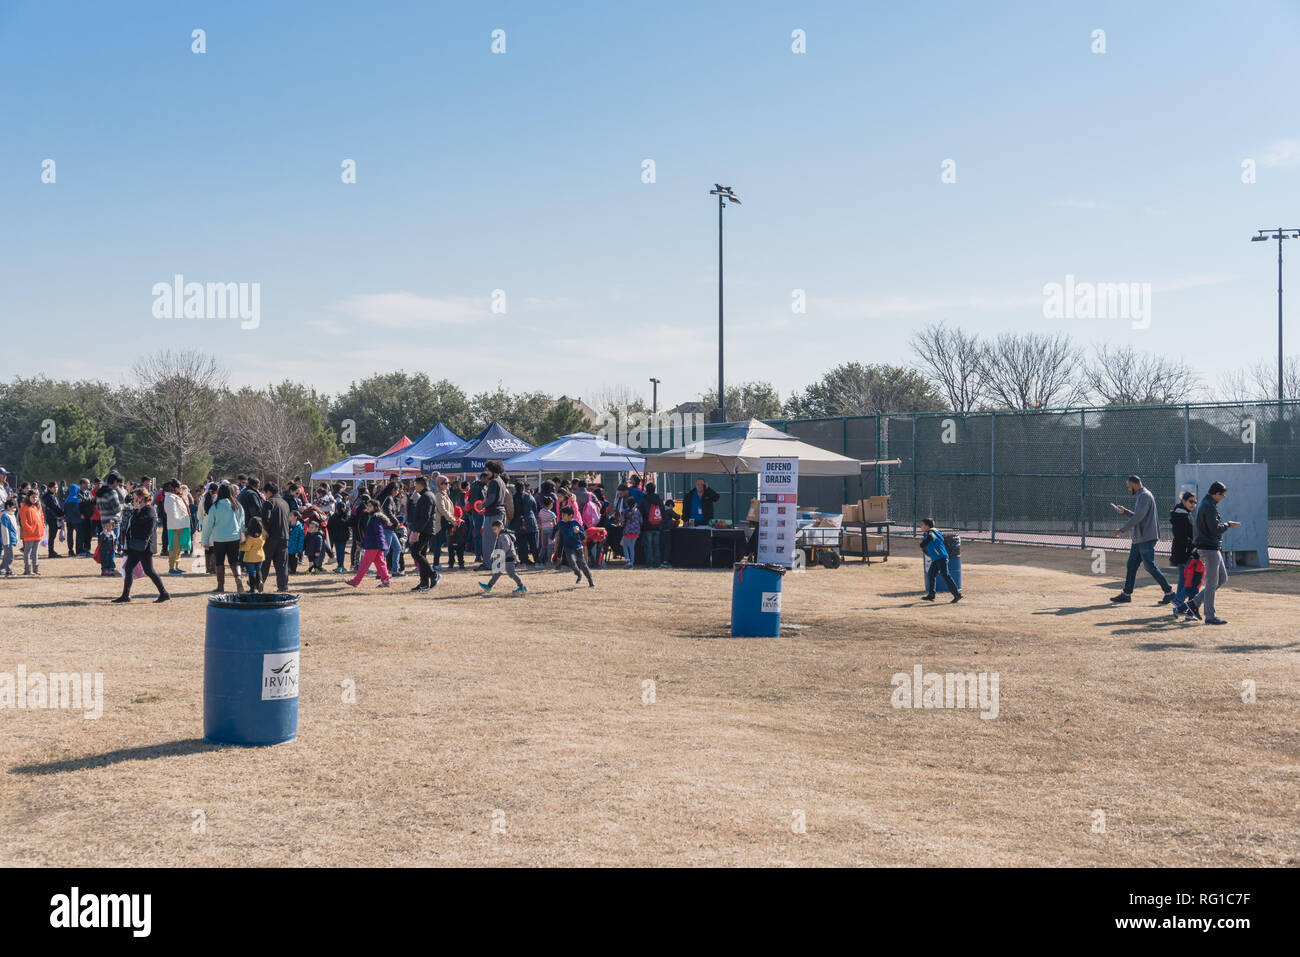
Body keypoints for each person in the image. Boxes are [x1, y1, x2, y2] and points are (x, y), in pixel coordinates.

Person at [1109, 474, 1173, 605]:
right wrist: (1125, 511)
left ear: (1134, 484)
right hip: (1140, 538)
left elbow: (1138, 517)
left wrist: (1122, 530)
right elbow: (1138, 516)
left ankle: (1169, 592)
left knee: (1150, 567)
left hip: (1146, 538)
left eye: (1129, 486)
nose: (1128, 489)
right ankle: (1126, 594)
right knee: (1131, 565)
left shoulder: (1144, 496)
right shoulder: (1141, 495)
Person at [1190, 480, 1239, 626]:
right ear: (1216, 494)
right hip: (1209, 548)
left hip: (1210, 547)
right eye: (1222, 495)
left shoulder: (1208, 504)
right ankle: (1210, 617)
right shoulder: (1208, 506)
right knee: (1212, 583)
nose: (1223, 497)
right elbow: (1215, 529)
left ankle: (1194, 604)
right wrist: (1228, 525)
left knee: (1222, 579)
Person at [111, 488, 170, 603]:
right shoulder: (141, 509)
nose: (133, 500)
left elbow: (138, 522)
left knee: (149, 571)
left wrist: (135, 509)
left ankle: (164, 593)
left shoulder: (149, 510)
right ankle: (125, 595)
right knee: (128, 568)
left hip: (144, 546)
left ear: (140, 498)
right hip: (135, 545)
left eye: (135, 498)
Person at [201, 483, 246, 594]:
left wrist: (205, 541)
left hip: (219, 538)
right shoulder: (237, 505)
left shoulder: (215, 507)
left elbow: (208, 526)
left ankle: (220, 587)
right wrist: (243, 534)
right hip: (234, 537)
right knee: (234, 561)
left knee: (219, 562)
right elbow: (242, 523)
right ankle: (238, 578)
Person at [347, 498, 393, 588]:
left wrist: (381, 545)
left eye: (370, 506)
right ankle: (386, 581)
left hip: (374, 545)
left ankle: (355, 581)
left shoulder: (375, 518)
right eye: (367, 505)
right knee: (380, 564)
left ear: (376, 507)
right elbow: (369, 534)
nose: (368, 507)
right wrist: (362, 544)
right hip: (374, 545)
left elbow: (378, 532)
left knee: (364, 564)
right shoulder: (372, 517)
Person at [406, 475, 441, 591]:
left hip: (424, 530)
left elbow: (425, 517)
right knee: (422, 554)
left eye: (416, 484)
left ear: (421, 484)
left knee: (416, 553)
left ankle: (433, 575)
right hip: (425, 529)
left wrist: (417, 532)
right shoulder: (427, 495)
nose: (414, 486)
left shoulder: (426, 496)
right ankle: (424, 583)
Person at [478, 518, 527, 595]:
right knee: (497, 572)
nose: (494, 531)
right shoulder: (502, 534)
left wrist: (499, 555)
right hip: (505, 557)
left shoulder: (503, 535)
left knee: (511, 573)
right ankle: (489, 586)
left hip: (509, 557)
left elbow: (506, 546)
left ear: (501, 527)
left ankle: (522, 587)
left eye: (495, 529)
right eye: (493, 530)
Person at [1168, 491, 1198, 616]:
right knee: (1190, 580)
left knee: (1183, 580)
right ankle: (1178, 601)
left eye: (1195, 502)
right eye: (1191, 501)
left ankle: (1178, 607)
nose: (1193, 504)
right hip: (1185, 551)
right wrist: (1193, 547)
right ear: (1184, 501)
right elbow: (1181, 536)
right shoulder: (1182, 515)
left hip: (1182, 551)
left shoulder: (1184, 513)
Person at [919, 517, 962, 603]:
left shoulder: (931, 532)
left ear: (927, 526)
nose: (921, 526)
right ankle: (931, 595)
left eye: (922, 525)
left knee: (945, 575)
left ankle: (957, 594)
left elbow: (931, 537)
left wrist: (923, 544)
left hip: (940, 558)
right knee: (931, 575)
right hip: (937, 558)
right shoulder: (934, 531)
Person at [479, 461, 510, 571]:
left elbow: (491, 499)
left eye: (488, 470)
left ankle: (487, 564)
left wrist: (482, 505)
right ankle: (497, 564)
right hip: (501, 513)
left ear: (494, 471)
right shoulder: (501, 481)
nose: (487, 472)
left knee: (488, 540)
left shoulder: (493, 482)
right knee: (498, 541)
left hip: (493, 514)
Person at [260, 482, 292, 592]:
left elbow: (265, 520)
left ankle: (258, 583)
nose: (264, 495)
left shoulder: (269, 502)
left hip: (271, 536)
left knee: (264, 562)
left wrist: (264, 531)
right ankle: (283, 587)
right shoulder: (285, 502)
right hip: (285, 536)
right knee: (282, 563)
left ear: (268, 491)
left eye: (264, 492)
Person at [96, 472, 126, 575]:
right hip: (112, 521)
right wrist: (124, 506)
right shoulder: (112, 492)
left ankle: (105, 568)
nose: (118, 486)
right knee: (112, 546)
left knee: (105, 546)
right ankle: (110, 568)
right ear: (114, 482)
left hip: (103, 520)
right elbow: (117, 508)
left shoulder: (100, 492)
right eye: (118, 483)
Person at [556, 506, 594, 587]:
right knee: (571, 562)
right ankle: (579, 575)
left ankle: (590, 580)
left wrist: (578, 531)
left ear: (571, 516)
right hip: (568, 548)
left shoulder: (576, 523)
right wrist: (559, 555)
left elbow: (584, 536)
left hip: (578, 547)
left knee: (582, 564)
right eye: (561, 515)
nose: (562, 517)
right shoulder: (562, 525)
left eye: (564, 515)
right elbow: (561, 541)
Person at [163, 480, 191, 574]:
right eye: (179, 487)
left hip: (181, 526)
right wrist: (177, 526)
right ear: (174, 488)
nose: (180, 489)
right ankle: (171, 568)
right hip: (175, 527)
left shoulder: (175, 497)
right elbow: (172, 513)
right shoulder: (170, 498)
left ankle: (176, 566)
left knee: (178, 548)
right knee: (174, 548)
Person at [19, 490, 46, 576]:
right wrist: (30, 529)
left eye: (36, 497)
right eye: (32, 497)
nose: (35, 499)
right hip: (29, 533)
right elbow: (24, 522)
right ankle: (27, 569)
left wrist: (42, 526)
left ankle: (35, 569)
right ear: (28, 497)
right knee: (27, 552)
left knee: (35, 552)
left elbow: (42, 517)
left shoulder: (38, 507)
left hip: (38, 533)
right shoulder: (24, 507)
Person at [327, 490, 351, 573]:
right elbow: (347, 524)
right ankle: (341, 565)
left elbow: (329, 526)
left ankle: (340, 565)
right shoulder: (344, 517)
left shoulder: (333, 517)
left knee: (339, 551)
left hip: (337, 537)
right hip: (342, 537)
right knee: (341, 552)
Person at [40, 482, 66, 558]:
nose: (56, 489)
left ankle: (51, 551)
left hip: (51, 517)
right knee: (52, 535)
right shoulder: (50, 496)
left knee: (52, 535)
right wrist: (62, 514)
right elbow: (54, 507)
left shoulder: (49, 495)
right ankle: (51, 552)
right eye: (54, 487)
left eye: (57, 487)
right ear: (49, 488)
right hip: (52, 518)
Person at [242, 516, 268, 593]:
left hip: (250, 557)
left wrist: (240, 547)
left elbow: (246, 548)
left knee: (252, 572)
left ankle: (252, 589)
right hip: (260, 556)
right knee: (258, 570)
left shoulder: (250, 537)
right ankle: (260, 581)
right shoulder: (263, 535)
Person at [620, 496, 642, 569]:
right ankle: (632, 563)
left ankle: (627, 561)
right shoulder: (637, 511)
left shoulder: (625, 511)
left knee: (625, 546)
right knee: (632, 548)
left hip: (627, 532)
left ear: (627, 504)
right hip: (636, 531)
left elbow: (622, 522)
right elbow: (641, 521)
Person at [0, 498, 20, 577]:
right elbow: (4, 530)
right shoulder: (5, 516)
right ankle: (9, 571)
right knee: (10, 556)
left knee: (7, 556)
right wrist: (6, 541)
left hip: (12, 539)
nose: (15, 508)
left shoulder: (11, 515)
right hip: (7, 540)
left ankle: (2, 568)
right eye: (13, 506)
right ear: (8, 507)